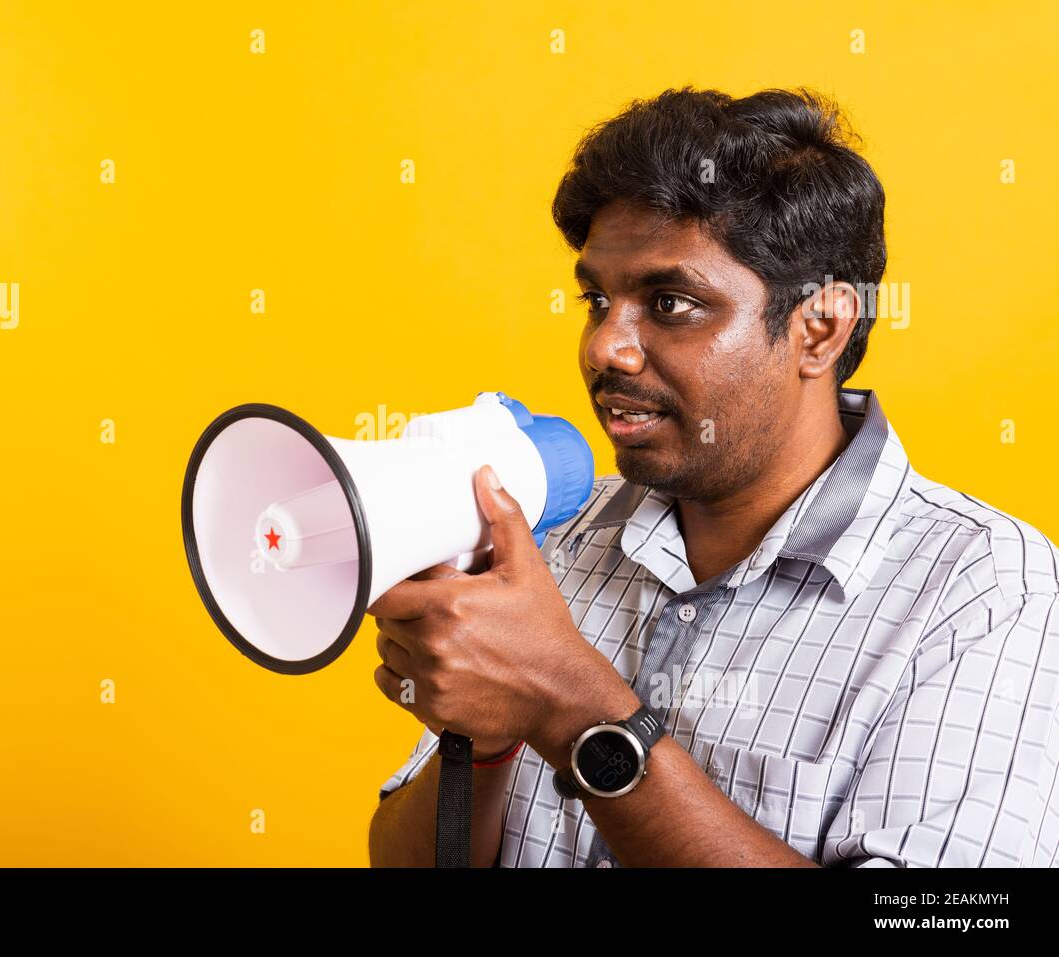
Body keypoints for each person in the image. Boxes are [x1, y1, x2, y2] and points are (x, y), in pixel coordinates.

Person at [367, 87, 1059, 868]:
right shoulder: (549, 537)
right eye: (597, 299)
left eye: (670, 302)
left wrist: (573, 708)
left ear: (819, 328)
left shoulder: (984, 588)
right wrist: (485, 745)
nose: (605, 348)